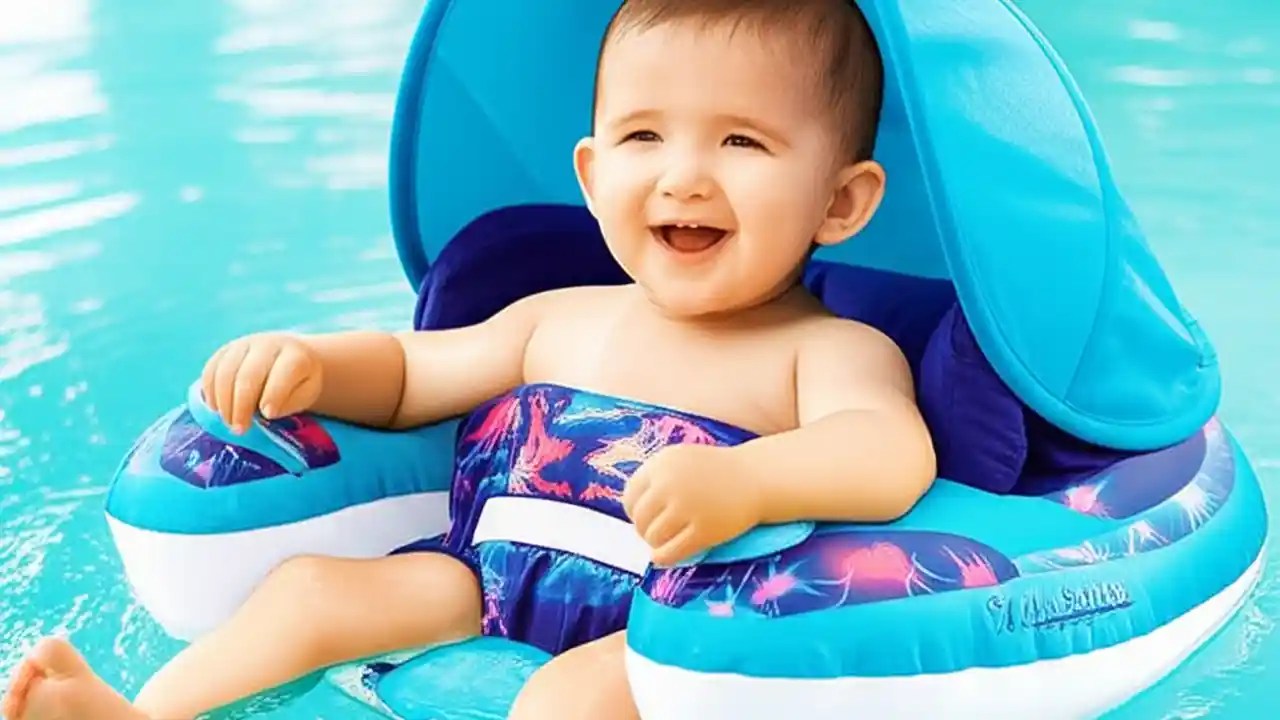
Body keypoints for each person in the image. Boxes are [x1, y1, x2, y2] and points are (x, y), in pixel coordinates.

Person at [1, 1, 937, 718]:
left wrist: (747, 482)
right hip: (483, 581)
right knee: (315, 590)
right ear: (591, 173)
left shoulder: (826, 349)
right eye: (643, 135)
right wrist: (312, 363)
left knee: (581, 699)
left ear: (841, 204)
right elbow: (413, 377)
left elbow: (887, 453)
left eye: (741, 140)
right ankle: (143, 712)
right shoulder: (555, 320)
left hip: (666, 615)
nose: (681, 174)